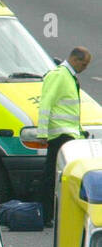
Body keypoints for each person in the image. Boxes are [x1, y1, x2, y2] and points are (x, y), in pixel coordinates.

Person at [37, 46, 92, 227]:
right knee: (52, 177)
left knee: (61, 177)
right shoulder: (59, 75)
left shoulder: (69, 77)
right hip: (60, 134)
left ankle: (52, 214)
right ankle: (46, 215)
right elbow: (46, 103)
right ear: (75, 60)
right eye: (83, 64)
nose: (84, 68)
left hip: (69, 133)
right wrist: (42, 132)